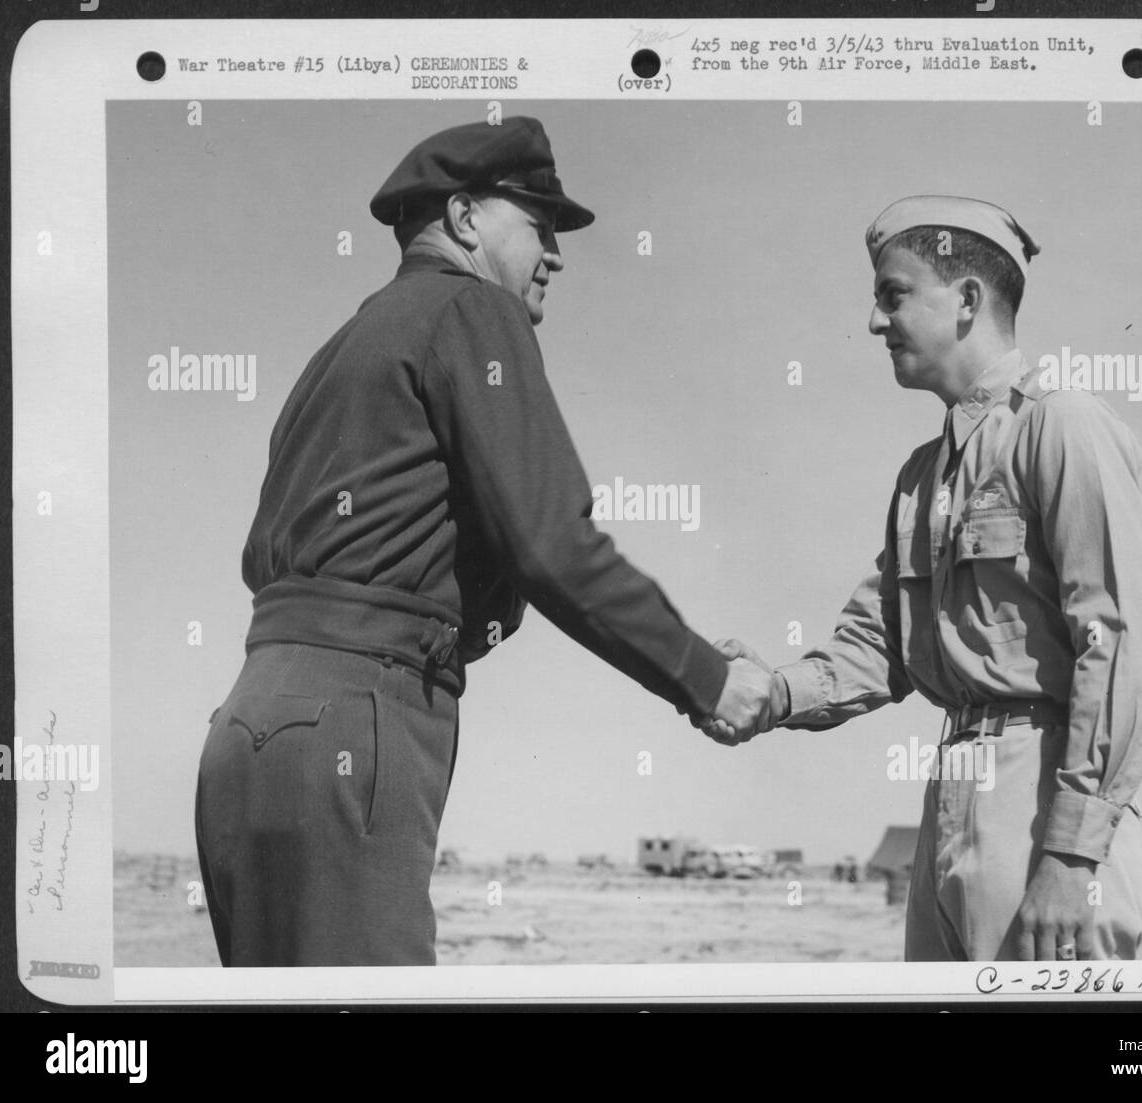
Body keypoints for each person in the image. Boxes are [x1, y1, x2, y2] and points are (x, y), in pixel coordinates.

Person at [195, 115, 774, 967]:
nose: (557, 252)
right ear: (466, 220)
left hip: (246, 730)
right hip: (357, 726)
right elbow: (552, 546)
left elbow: (415, 559)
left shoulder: (343, 346)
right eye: (538, 224)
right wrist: (706, 676)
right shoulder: (472, 309)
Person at [709, 196, 1142, 962]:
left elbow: (1115, 639)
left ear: (967, 300)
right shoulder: (924, 476)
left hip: (1042, 794)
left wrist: (1071, 855)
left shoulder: (1061, 426)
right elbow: (879, 642)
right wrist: (774, 691)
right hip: (952, 789)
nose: (875, 322)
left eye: (893, 294)